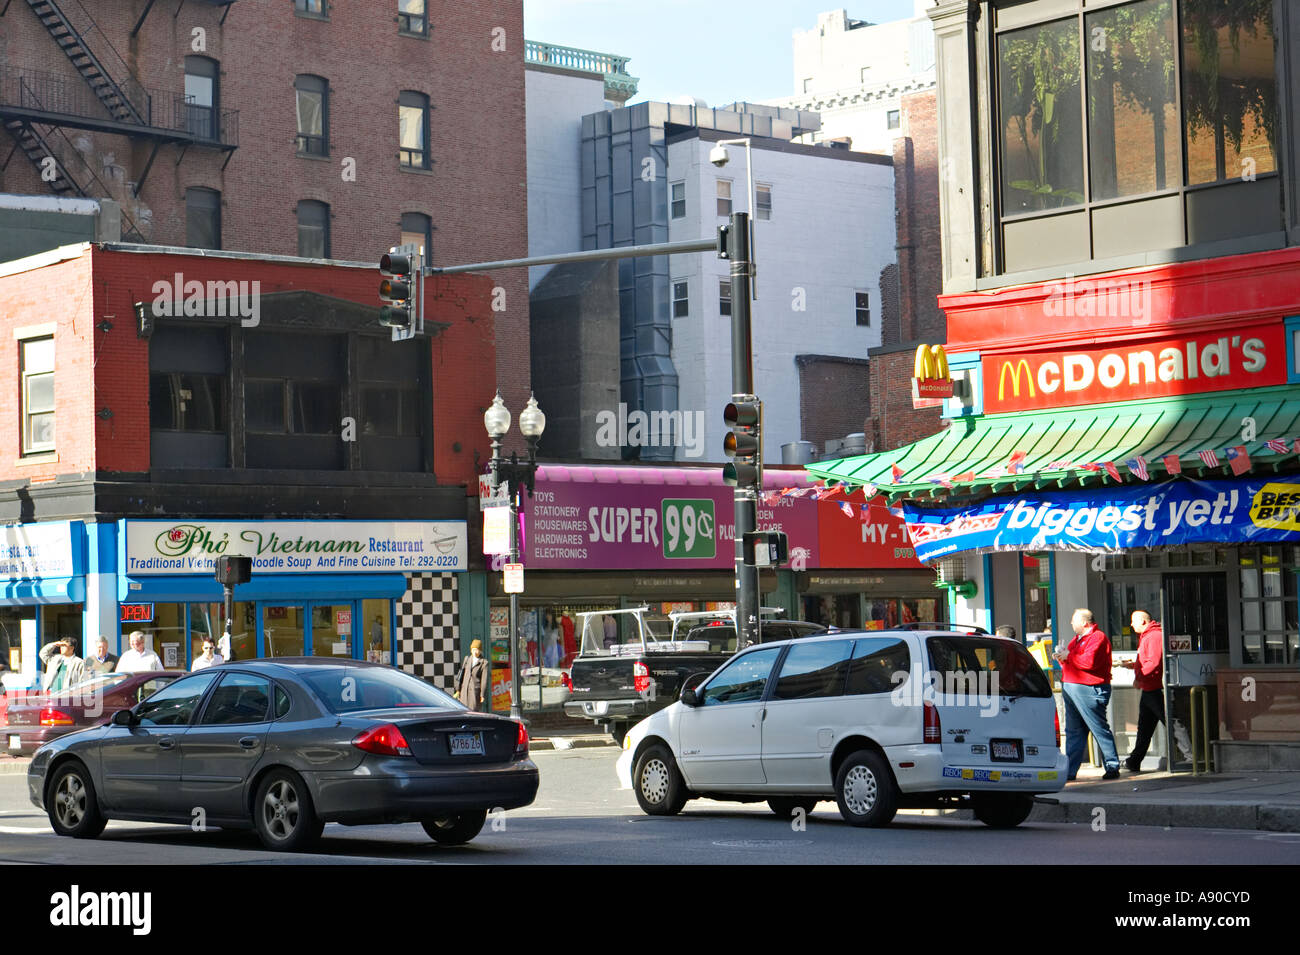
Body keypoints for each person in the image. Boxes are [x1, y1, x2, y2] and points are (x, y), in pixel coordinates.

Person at [1055, 608, 1120, 780]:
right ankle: (1069, 770)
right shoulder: (1077, 640)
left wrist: (1068, 655)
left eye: (1074, 620)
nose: (1071, 623)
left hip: (1088, 689)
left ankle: (1112, 765)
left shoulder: (1097, 637)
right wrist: (1062, 657)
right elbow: (1072, 662)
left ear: (1084, 622)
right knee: (1074, 731)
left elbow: (1088, 662)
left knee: (1098, 728)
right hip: (1073, 687)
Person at [1118, 609, 1165, 773]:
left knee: (1171, 723)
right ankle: (1134, 761)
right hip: (1149, 688)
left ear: (1143, 622)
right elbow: (1148, 661)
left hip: (1154, 688)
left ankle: (1190, 756)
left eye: (1133, 621)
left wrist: (1140, 678)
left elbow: (1154, 662)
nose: (1131, 624)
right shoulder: (1148, 636)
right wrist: (1135, 666)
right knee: (1144, 727)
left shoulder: (1153, 636)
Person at [454, 639, 490, 712]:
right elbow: (461, 673)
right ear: (471, 650)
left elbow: (484, 680)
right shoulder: (467, 659)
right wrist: (458, 689)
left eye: (477, 650)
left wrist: (482, 694)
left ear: (480, 651)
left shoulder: (484, 663)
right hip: (464, 690)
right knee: (463, 710)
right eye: (473, 650)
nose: (475, 652)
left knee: (473, 711)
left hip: (475, 691)